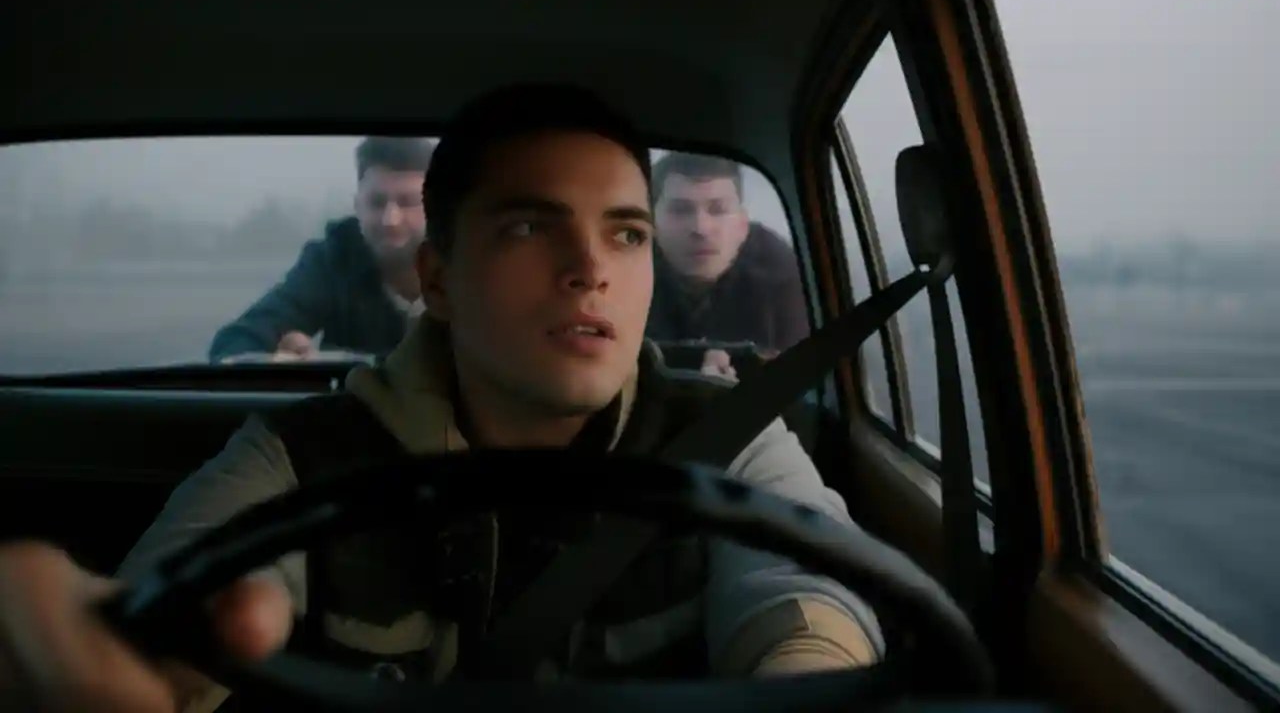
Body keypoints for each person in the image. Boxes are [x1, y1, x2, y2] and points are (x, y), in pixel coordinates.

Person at [0, 84, 883, 712]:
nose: (590, 268)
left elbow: (807, 600)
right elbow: (187, 598)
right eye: (531, 226)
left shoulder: (731, 435)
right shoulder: (304, 456)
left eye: (626, 233)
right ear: (439, 277)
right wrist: (133, 670)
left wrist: (807, 679)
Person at [208, 136, 436, 362]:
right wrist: (281, 363)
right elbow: (233, 345)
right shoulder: (335, 257)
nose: (391, 219)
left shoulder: (464, 258)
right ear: (358, 206)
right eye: (377, 202)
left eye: (408, 202)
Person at [646, 152, 811, 378]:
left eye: (718, 209)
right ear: (652, 223)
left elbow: (805, 382)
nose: (701, 228)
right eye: (681, 210)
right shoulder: (626, 270)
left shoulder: (778, 271)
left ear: (743, 226)